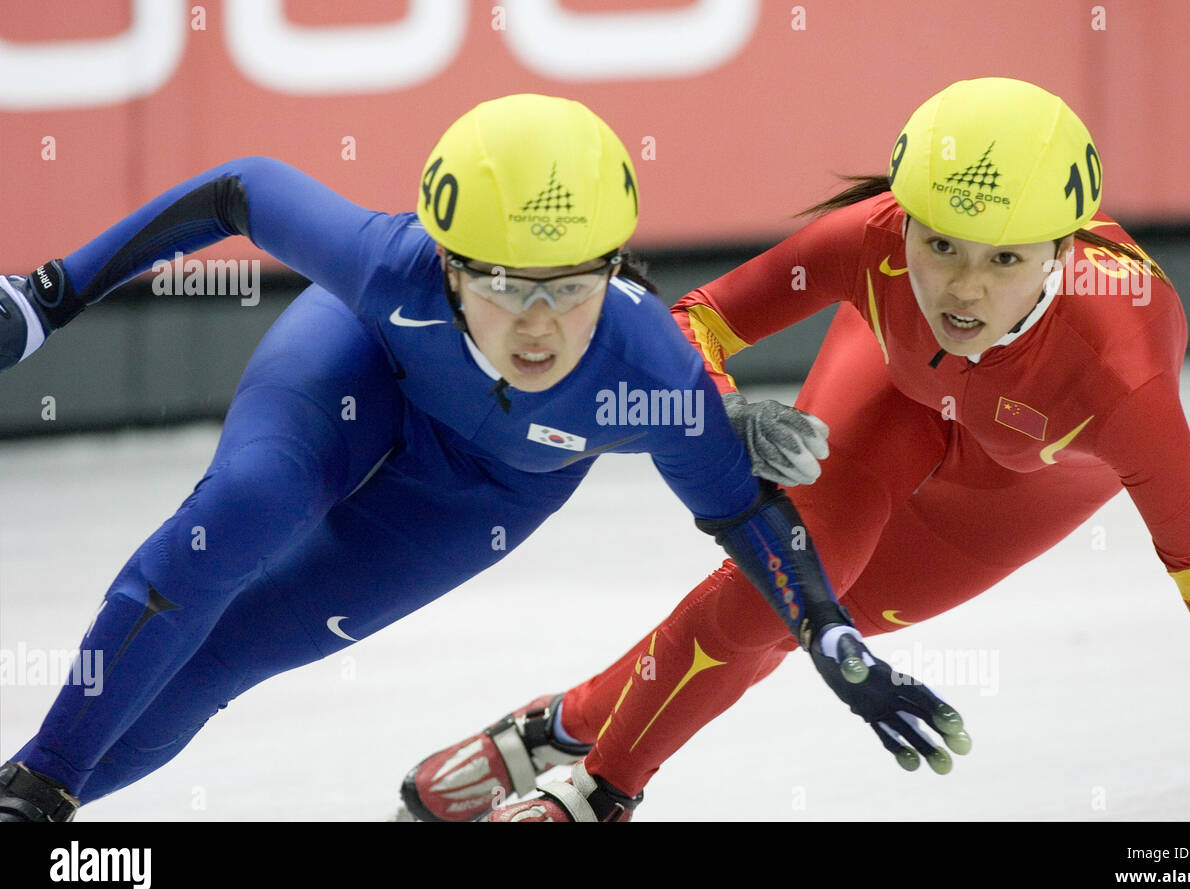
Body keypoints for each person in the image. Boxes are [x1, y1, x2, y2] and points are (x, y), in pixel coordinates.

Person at [0, 93, 972, 823]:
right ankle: (37, 785)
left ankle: (38, 795)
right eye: (507, 285)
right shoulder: (391, 266)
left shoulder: (649, 370)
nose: (539, 323)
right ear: (450, 264)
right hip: (357, 365)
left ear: (613, 267)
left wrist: (830, 636)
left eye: (573, 285)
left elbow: (750, 519)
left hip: (480, 488)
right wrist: (48, 296)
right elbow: (237, 190)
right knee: (251, 504)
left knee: (232, 652)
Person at [399, 77, 1190, 822]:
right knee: (789, 586)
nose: (964, 289)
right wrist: (727, 407)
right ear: (902, 220)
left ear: (1060, 253)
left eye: (1004, 260)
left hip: (1023, 477)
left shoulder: (1120, 376)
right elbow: (698, 319)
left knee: (822, 618)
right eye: (940, 244)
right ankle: (596, 792)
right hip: (896, 384)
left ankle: (562, 724)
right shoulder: (870, 242)